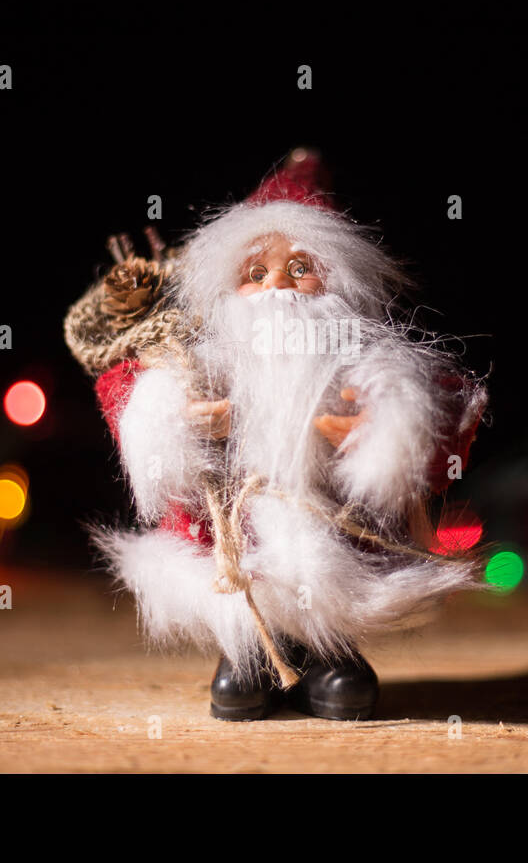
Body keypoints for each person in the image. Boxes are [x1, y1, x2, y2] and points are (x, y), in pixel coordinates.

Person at [89, 151, 487, 720]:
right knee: (243, 596)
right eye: (256, 273)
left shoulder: (362, 355)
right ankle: (249, 650)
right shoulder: (206, 358)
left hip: (335, 526)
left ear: (336, 281)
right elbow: (123, 389)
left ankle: (331, 652)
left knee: (331, 591)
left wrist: (387, 428)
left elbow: (448, 398)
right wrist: (174, 412)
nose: (277, 282)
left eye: (300, 267)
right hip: (238, 542)